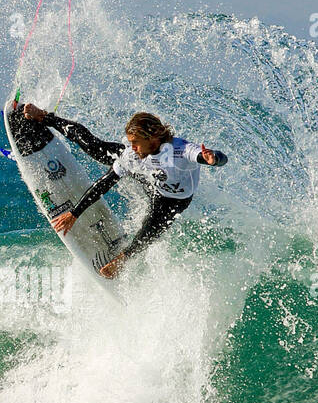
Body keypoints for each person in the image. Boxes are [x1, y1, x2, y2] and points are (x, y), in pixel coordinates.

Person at [17, 103, 227, 277]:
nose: (132, 148)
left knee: (150, 229)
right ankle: (45, 118)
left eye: (136, 143)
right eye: (130, 143)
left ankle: (122, 260)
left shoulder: (180, 150)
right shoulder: (133, 155)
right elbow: (105, 183)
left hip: (172, 199)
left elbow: (211, 156)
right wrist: (74, 214)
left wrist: (213, 159)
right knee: (94, 146)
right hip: (148, 175)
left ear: (153, 138)